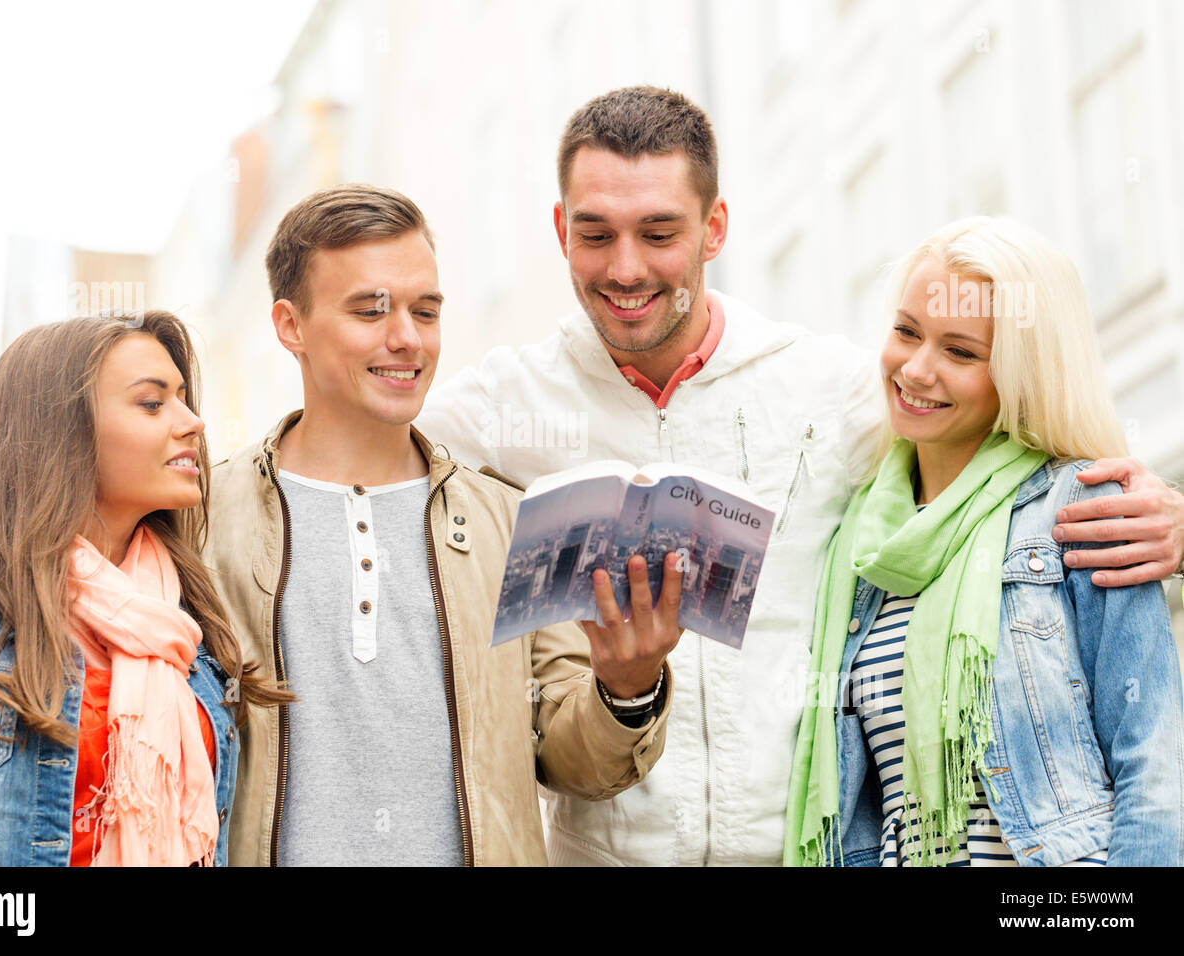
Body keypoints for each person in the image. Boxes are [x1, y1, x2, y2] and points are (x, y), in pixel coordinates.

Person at [414, 85, 1184, 865]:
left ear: (714, 228)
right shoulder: (499, 409)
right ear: (560, 230)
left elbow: (1006, 444)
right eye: (596, 233)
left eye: (658, 232)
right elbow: (348, 462)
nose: (626, 267)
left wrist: (1175, 519)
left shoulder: (833, 389)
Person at [204, 184, 682, 865]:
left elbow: (575, 763)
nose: (406, 338)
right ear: (291, 326)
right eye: (370, 310)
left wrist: (627, 689)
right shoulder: (201, 520)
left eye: (424, 311)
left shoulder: (513, 521)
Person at [784, 217, 1184, 866]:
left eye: (960, 352)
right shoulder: (858, 548)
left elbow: (1155, 766)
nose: (915, 370)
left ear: (1018, 375)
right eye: (906, 332)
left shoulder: (1081, 508)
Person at [0, 312, 284, 867]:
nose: (193, 422)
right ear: (61, 432)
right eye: (152, 403)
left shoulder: (196, 643)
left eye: (185, 399)